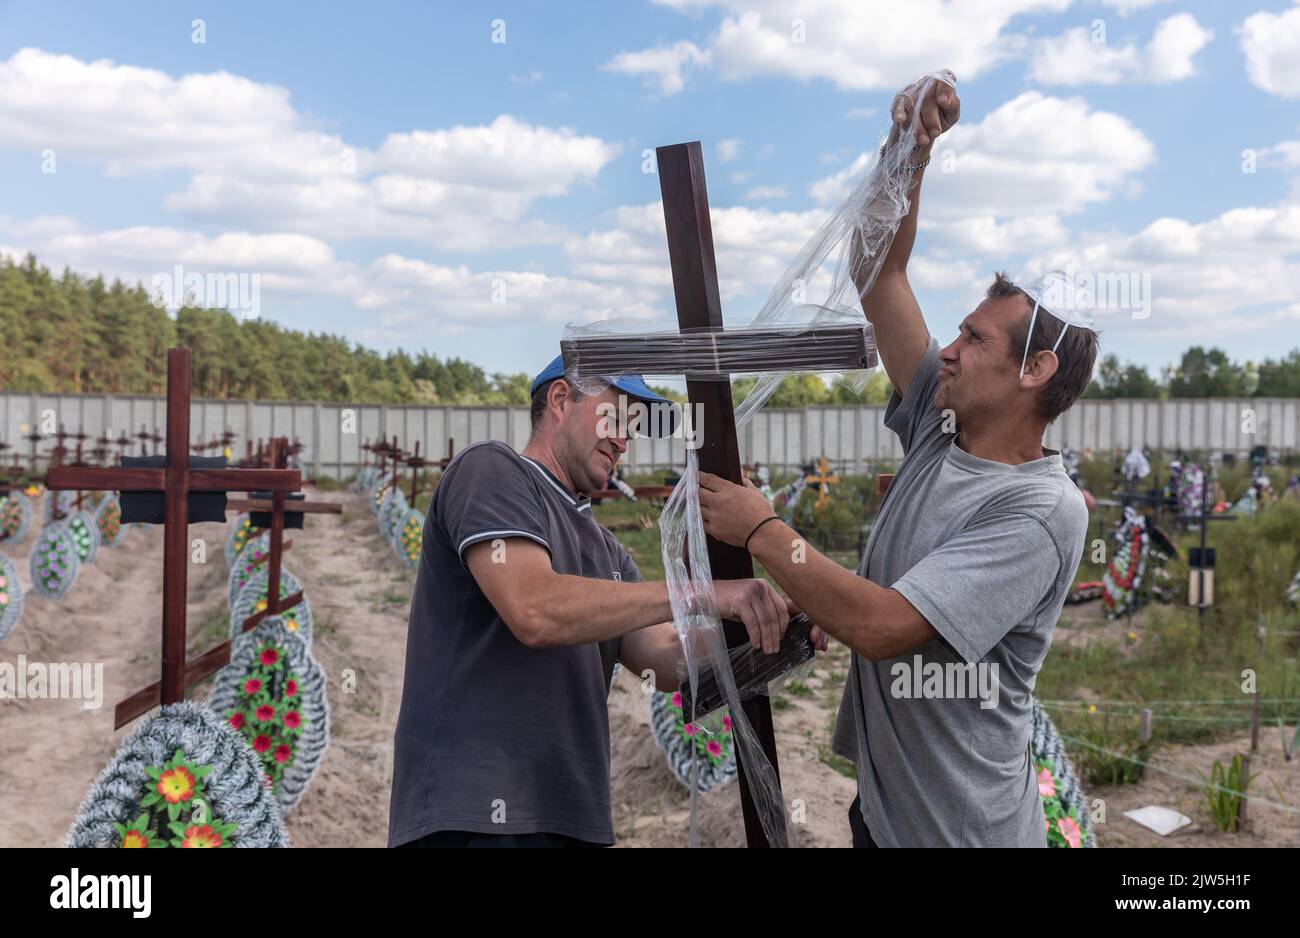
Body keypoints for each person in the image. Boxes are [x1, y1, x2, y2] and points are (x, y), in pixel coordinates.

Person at [696, 76, 1096, 846]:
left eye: (975, 340)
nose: (948, 348)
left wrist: (765, 532)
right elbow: (880, 274)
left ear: (1036, 371)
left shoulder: (1042, 511)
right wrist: (909, 154)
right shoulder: (938, 427)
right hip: (886, 816)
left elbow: (886, 628)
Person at [387, 354, 790, 848]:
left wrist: (777, 623)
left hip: (573, 818)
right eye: (617, 416)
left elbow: (664, 662)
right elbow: (534, 609)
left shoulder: (607, 551)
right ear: (560, 399)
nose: (625, 439)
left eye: (634, 427)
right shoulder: (493, 471)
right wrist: (705, 593)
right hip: (474, 815)